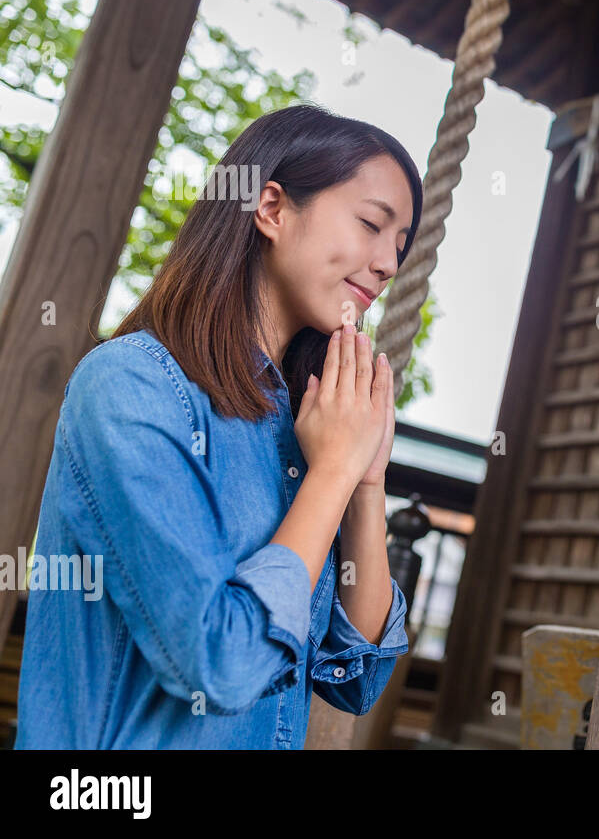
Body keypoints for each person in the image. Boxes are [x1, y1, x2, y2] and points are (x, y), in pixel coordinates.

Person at [16, 103, 424, 748]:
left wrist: (364, 482)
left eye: (400, 247)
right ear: (270, 208)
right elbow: (221, 665)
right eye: (372, 225)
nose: (388, 264)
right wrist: (334, 473)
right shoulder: (130, 386)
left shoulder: (302, 429)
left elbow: (355, 677)